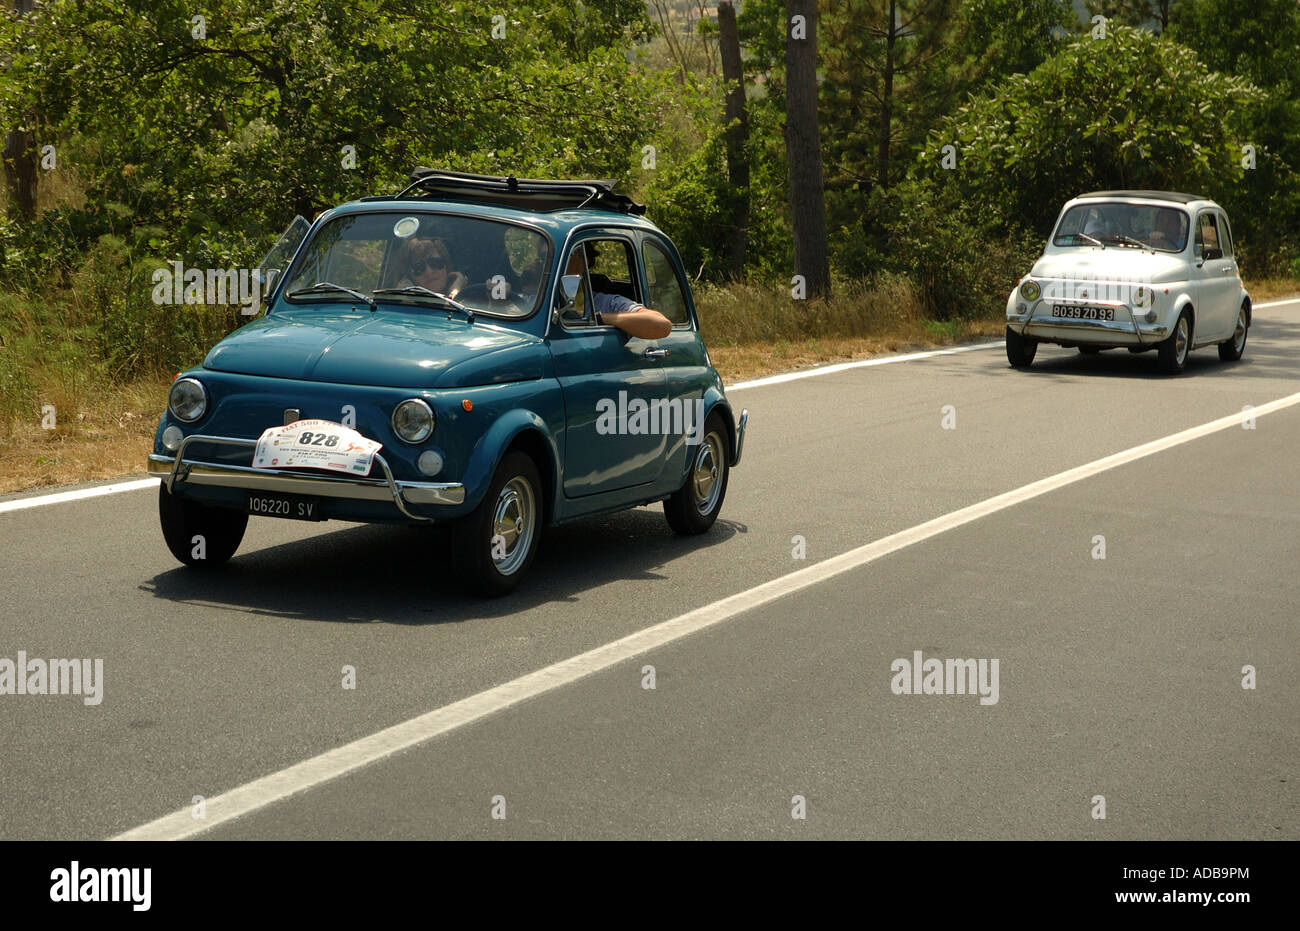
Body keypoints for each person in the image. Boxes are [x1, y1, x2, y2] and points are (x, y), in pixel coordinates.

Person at [564, 244, 672, 339]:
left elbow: (662, 325)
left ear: (582, 262)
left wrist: (601, 318)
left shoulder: (604, 303)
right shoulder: (548, 302)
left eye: (567, 255)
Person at [395, 237, 467, 298]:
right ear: (409, 276)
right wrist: (402, 296)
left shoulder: (473, 300)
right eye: (419, 267)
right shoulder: (401, 309)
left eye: (435, 262)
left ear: (446, 265)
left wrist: (457, 292)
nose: (429, 271)